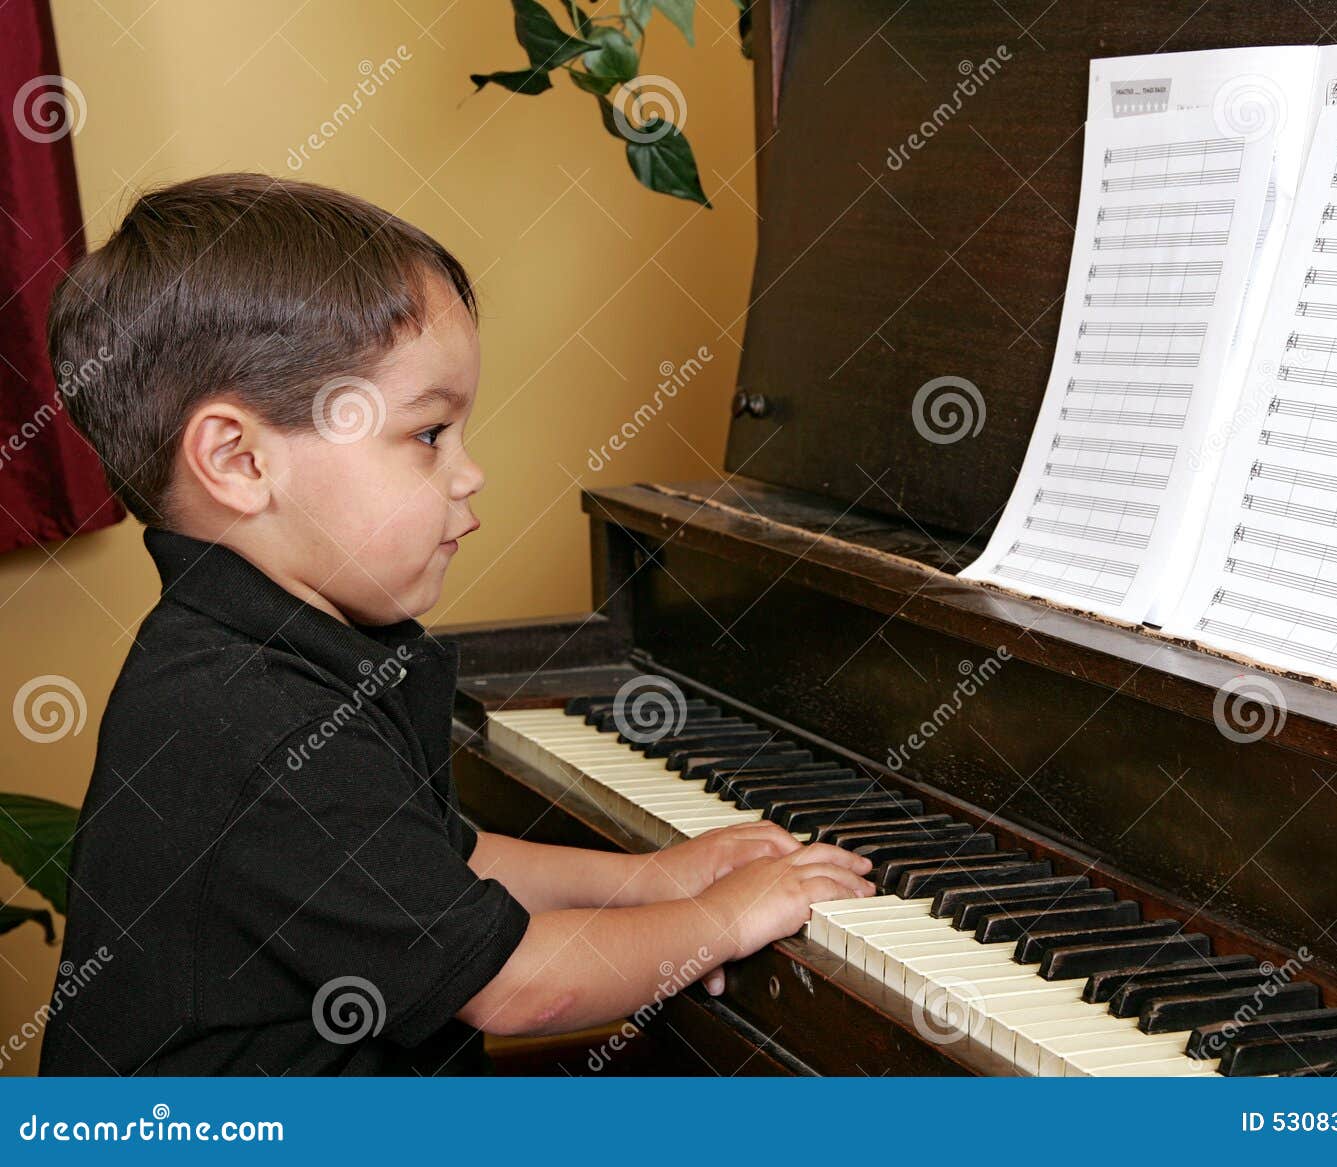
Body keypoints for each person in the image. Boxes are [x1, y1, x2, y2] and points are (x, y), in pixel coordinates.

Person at [38, 172, 872, 1075]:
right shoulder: (256, 720)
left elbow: (446, 864)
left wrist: (649, 881)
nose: (469, 474)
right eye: (429, 434)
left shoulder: (263, 651)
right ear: (240, 461)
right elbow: (521, 987)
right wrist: (721, 919)